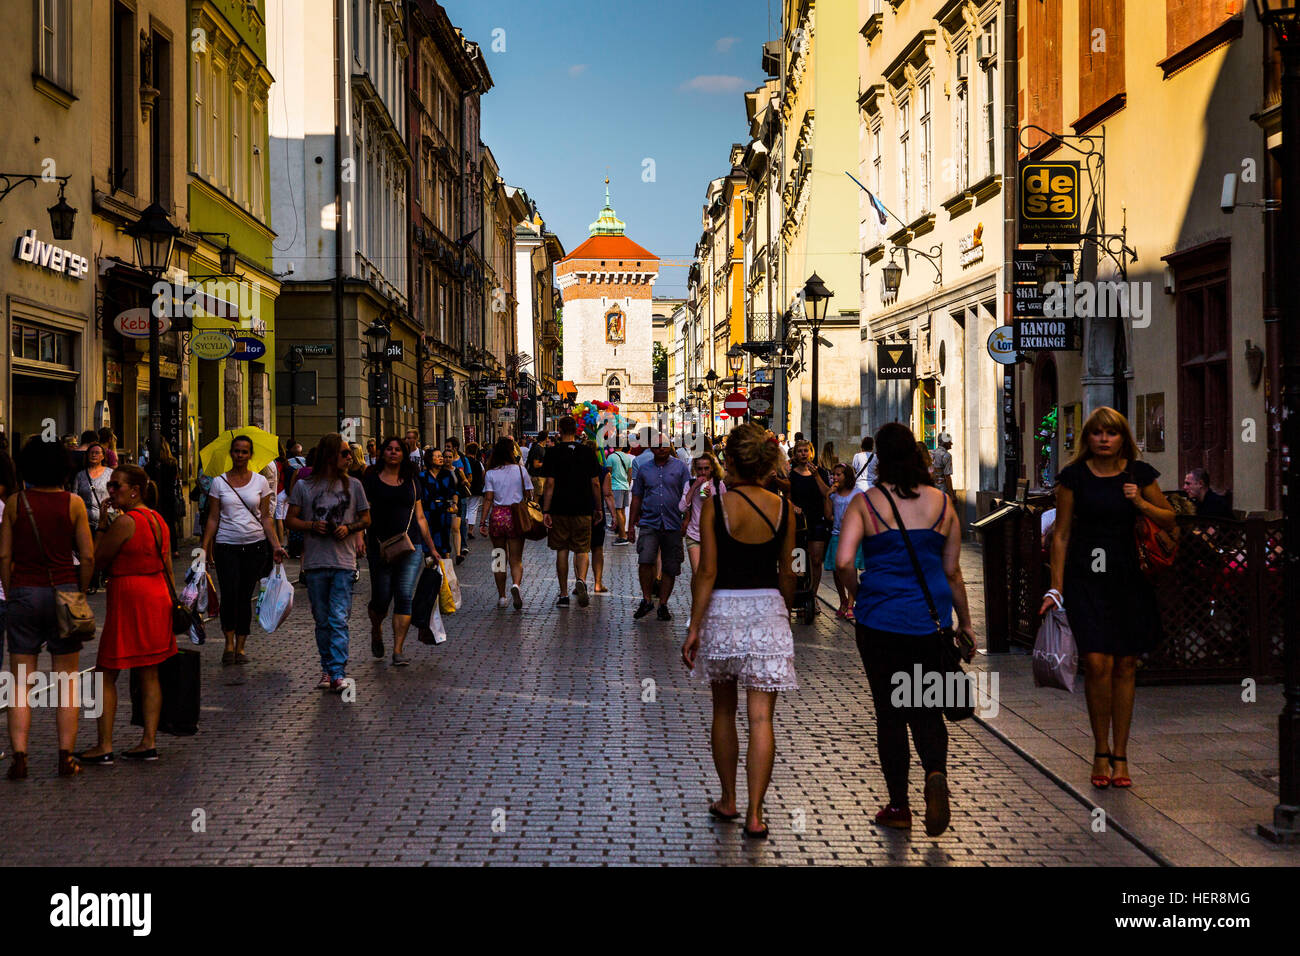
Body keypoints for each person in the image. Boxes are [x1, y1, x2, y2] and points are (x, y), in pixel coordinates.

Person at [836, 422, 975, 836]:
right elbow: (952, 572)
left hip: (880, 622)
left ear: (878, 458)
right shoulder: (942, 504)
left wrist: (858, 595)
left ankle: (899, 804)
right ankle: (935, 773)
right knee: (927, 707)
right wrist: (965, 623)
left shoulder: (866, 503)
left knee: (890, 714)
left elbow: (844, 562)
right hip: (929, 623)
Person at [1040, 406, 1175, 791]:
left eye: (1111, 433)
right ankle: (1100, 750)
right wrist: (1057, 586)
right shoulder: (1073, 477)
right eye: (1097, 432)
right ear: (1088, 438)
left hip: (1128, 580)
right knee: (1097, 663)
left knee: (1126, 664)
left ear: (1122, 438)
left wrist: (1139, 502)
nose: (1103, 439)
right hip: (1086, 582)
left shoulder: (1139, 474)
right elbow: (1062, 534)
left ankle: (1122, 754)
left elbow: (1169, 518)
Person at [682, 422, 797, 839]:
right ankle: (756, 813)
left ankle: (728, 798)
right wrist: (782, 611)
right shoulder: (784, 508)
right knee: (762, 716)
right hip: (766, 608)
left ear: (731, 461)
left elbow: (707, 572)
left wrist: (694, 627)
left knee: (724, 710)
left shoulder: (717, 505)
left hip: (724, 612)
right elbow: (788, 572)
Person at [0, 436, 95, 778]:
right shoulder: (73, 504)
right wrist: (80, 591)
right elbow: (87, 555)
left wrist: (13, 592)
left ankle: (20, 757)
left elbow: (4, 555)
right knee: (67, 681)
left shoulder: (15, 503)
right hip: (63, 592)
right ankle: (65, 757)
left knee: (20, 682)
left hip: (24, 593)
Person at [75, 465, 177, 765]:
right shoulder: (158, 519)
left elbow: (97, 559)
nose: (111, 491)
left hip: (130, 596)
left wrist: (103, 524)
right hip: (156, 595)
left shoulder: (126, 522)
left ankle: (103, 744)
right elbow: (169, 565)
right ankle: (149, 741)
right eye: (110, 486)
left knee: (105, 671)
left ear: (135, 490)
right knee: (149, 669)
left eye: (117, 486)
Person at [286, 434, 371, 692]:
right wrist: (312, 525)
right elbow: (290, 520)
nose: (350, 458)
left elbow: (366, 518)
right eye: (345, 453)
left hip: (344, 562)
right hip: (315, 562)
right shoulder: (305, 486)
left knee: (338, 618)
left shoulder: (355, 485)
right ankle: (326, 667)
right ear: (331, 456)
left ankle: (337, 672)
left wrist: (350, 529)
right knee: (322, 619)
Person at [200, 435, 287, 667]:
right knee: (229, 594)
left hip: (255, 546)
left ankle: (241, 645)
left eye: (244, 452)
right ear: (231, 453)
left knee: (245, 595)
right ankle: (228, 644)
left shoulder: (260, 482)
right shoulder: (219, 482)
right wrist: (204, 547)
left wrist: (276, 545)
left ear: (250, 455)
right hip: (226, 545)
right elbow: (213, 517)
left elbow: (267, 518)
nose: (240, 455)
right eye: (237, 451)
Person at [363, 437, 442, 667]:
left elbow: (420, 516)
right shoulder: (371, 479)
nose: (393, 453)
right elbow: (363, 511)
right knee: (381, 597)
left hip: (411, 545)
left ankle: (398, 650)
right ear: (382, 452)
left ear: (404, 454)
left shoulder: (412, 481)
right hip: (379, 546)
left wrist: (432, 547)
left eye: (398, 450)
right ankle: (376, 628)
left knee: (404, 596)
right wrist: (360, 537)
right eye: (389, 449)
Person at [628, 433, 691, 620]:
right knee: (645, 560)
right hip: (649, 521)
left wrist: (687, 519)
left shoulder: (680, 468)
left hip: (673, 523)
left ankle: (663, 604)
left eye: (664, 445)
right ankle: (647, 599)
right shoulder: (645, 469)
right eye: (656, 446)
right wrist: (630, 525)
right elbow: (637, 497)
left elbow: (688, 494)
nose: (661, 448)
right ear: (651, 447)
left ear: (669, 445)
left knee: (671, 566)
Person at [541, 417, 601, 609]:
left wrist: (546, 510)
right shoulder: (587, 452)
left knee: (562, 550)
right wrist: (598, 507)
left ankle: (564, 594)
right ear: (576, 430)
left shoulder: (552, 452)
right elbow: (595, 482)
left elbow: (549, 483)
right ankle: (581, 580)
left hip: (559, 508)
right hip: (583, 508)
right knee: (582, 549)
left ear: (559, 430)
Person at [478, 437, 533, 609]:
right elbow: (530, 494)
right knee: (516, 559)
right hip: (516, 517)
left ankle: (502, 597)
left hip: (497, 516)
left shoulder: (491, 473)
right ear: (512, 452)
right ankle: (515, 584)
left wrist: (482, 521)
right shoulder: (520, 470)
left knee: (499, 557)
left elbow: (488, 499)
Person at [789, 439, 833, 612]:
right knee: (798, 559)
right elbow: (787, 495)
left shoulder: (819, 472)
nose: (803, 454)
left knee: (815, 560)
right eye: (799, 451)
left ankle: (813, 595)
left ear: (811, 452)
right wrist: (793, 506)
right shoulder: (791, 474)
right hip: (798, 521)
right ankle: (798, 593)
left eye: (806, 451)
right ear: (795, 454)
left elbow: (826, 494)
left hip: (816, 519)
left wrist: (816, 477)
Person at [827, 462, 865, 619]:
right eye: (834, 474)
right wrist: (827, 496)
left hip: (852, 535)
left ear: (847, 476)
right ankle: (842, 599)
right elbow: (829, 515)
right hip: (836, 534)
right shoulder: (834, 495)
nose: (835, 477)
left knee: (850, 568)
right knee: (837, 570)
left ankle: (851, 603)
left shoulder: (857, 493)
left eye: (838, 474)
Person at [74, 442, 113, 592]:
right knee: (88, 552)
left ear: (103, 456)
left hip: (105, 519)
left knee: (102, 551)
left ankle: (102, 577)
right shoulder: (80, 475)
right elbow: (75, 495)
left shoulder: (110, 473)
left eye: (97, 452)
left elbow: (114, 494)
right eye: (92, 453)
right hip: (85, 520)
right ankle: (91, 582)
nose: (94, 455)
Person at [680, 452, 726, 575]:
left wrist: (711, 498)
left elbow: (724, 510)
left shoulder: (719, 485)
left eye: (706, 468)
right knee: (697, 572)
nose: (703, 472)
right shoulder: (689, 484)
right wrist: (694, 487)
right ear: (695, 469)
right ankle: (697, 594)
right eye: (700, 469)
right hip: (693, 533)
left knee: (710, 572)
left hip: (713, 534)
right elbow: (682, 507)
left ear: (711, 468)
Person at [584, 439, 617, 594]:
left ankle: (581, 581)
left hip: (580, 512)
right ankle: (598, 583)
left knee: (581, 549)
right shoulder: (604, 472)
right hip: (597, 513)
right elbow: (608, 495)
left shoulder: (576, 469)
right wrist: (614, 516)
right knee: (597, 549)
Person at [419, 449, 459, 559]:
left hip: (443, 513)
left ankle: (445, 572)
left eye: (441, 456)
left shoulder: (447, 475)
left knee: (444, 545)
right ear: (430, 459)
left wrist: (455, 504)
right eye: (437, 456)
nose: (441, 458)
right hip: (428, 514)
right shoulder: (422, 477)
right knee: (428, 548)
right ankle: (431, 572)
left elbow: (454, 492)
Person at [153, 438, 181, 558]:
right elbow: (175, 479)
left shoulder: (156, 465)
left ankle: (161, 547)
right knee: (170, 524)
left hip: (159, 496)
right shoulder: (173, 463)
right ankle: (174, 548)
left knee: (158, 523)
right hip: (170, 496)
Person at [444, 437, 472, 561]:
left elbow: (469, 479)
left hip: (459, 498)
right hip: (444, 501)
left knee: (459, 526)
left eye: (449, 447)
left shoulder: (463, 460)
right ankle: (448, 553)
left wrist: (465, 481)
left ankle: (461, 549)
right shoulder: (439, 471)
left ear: (455, 448)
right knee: (446, 528)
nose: (447, 459)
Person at [607, 441, 634, 544]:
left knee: (618, 511)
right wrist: (627, 484)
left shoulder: (611, 457)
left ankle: (622, 536)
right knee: (622, 511)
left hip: (615, 486)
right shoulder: (627, 457)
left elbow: (608, 472)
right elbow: (630, 473)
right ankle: (622, 534)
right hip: (625, 486)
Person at [463, 441, 485, 542]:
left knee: (465, 508)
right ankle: (470, 530)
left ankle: (463, 527)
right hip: (476, 489)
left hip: (464, 488)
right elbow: (483, 474)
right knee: (473, 509)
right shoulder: (478, 463)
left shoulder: (463, 461)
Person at [525, 433, 549, 502]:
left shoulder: (540, 448)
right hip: (537, 476)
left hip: (539, 476)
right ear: (544, 438)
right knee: (537, 496)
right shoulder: (538, 449)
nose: (548, 439)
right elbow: (535, 464)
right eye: (547, 438)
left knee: (539, 495)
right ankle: (535, 511)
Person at [931, 432, 955, 500]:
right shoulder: (946, 455)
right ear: (945, 443)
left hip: (932, 489)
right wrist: (952, 494)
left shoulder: (931, 453)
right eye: (949, 441)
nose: (951, 443)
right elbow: (947, 476)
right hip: (942, 490)